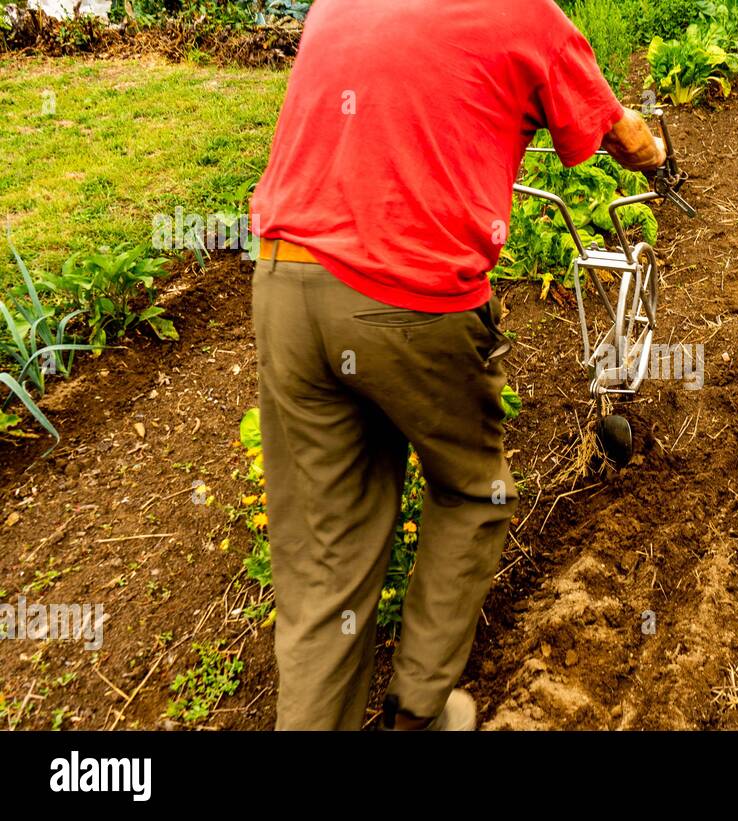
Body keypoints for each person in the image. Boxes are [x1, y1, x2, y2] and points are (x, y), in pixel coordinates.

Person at [249, 0, 666, 731]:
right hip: (408, 298)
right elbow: (622, 134)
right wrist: (656, 154)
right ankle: (420, 709)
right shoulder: (528, 13)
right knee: (474, 491)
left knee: (324, 566)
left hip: (284, 285)